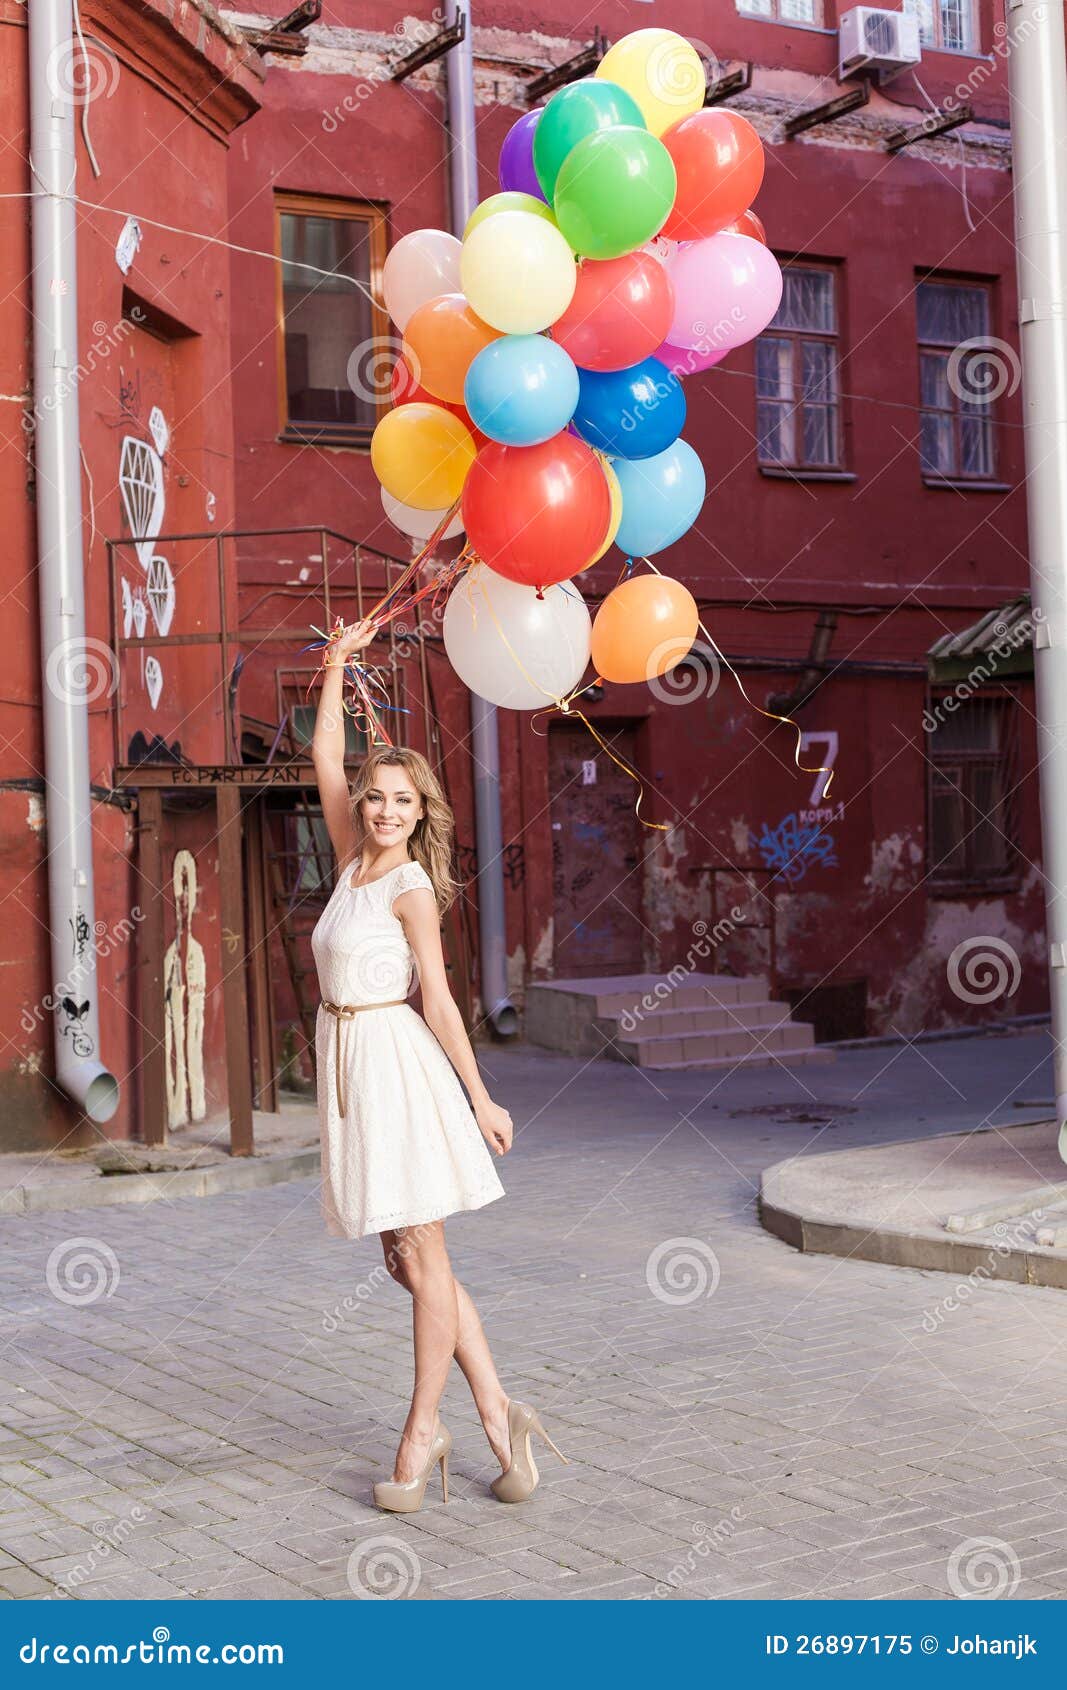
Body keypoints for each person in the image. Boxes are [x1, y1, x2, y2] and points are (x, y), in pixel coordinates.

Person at [310, 617, 568, 1513]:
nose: (382, 810)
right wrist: (340, 664)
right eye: (376, 796)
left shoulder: (409, 886)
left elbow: (442, 1001)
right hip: (350, 1066)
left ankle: (422, 1432)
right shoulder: (350, 860)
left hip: (396, 1072)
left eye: (401, 803)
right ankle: (501, 1416)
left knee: (422, 1258)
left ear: (422, 815)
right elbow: (325, 760)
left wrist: (481, 1098)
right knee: (408, 1264)